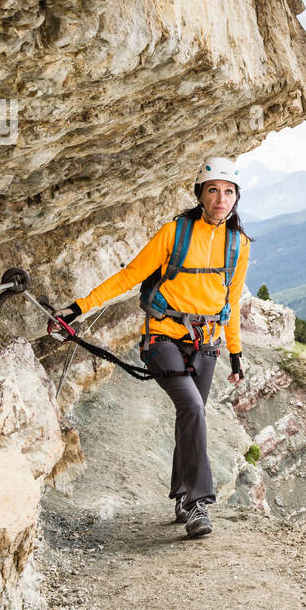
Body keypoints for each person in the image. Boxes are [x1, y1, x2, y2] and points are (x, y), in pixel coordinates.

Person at [53, 157, 252, 539]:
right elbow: (130, 275)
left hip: (207, 343)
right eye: (213, 190)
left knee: (190, 415)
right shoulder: (175, 233)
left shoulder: (237, 244)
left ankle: (181, 497)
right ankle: (197, 505)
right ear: (200, 194)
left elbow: (234, 300)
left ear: (236, 198)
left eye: (229, 192)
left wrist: (236, 351)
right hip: (162, 338)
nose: (220, 199)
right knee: (192, 407)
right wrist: (79, 308)